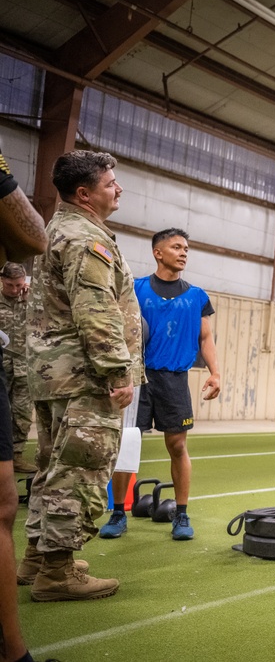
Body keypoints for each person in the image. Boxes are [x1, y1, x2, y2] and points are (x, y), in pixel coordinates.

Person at [17, 150, 143, 603]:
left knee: (53, 467)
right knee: (81, 471)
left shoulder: (59, 230)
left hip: (56, 375)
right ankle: (58, 572)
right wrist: (117, 371)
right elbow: (97, 310)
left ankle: (38, 556)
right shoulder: (85, 239)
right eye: (111, 183)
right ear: (85, 194)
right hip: (85, 376)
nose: (118, 188)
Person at [101, 228, 221, 541]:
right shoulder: (135, 288)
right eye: (176, 247)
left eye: (186, 248)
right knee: (126, 444)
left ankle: (181, 515)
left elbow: (205, 338)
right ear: (158, 252)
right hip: (137, 378)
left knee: (177, 446)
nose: (183, 252)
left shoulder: (197, 297)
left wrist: (215, 372)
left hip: (174, 380)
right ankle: (117, 513)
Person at [0, 146, 47, 662]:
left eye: (20, 281)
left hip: (18, 380)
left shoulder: (27, 302)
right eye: (10, 279)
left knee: (17, 436)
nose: (16, 285)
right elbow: (33, 234)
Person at [0, 263, 36, 473]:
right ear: (2, 281)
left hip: (24, 365)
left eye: (19, 285)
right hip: (2, 365)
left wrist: (33, 300)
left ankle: (16, 456)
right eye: (10, 285)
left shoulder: (30, 298)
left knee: (22, 413)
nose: (15, 290)